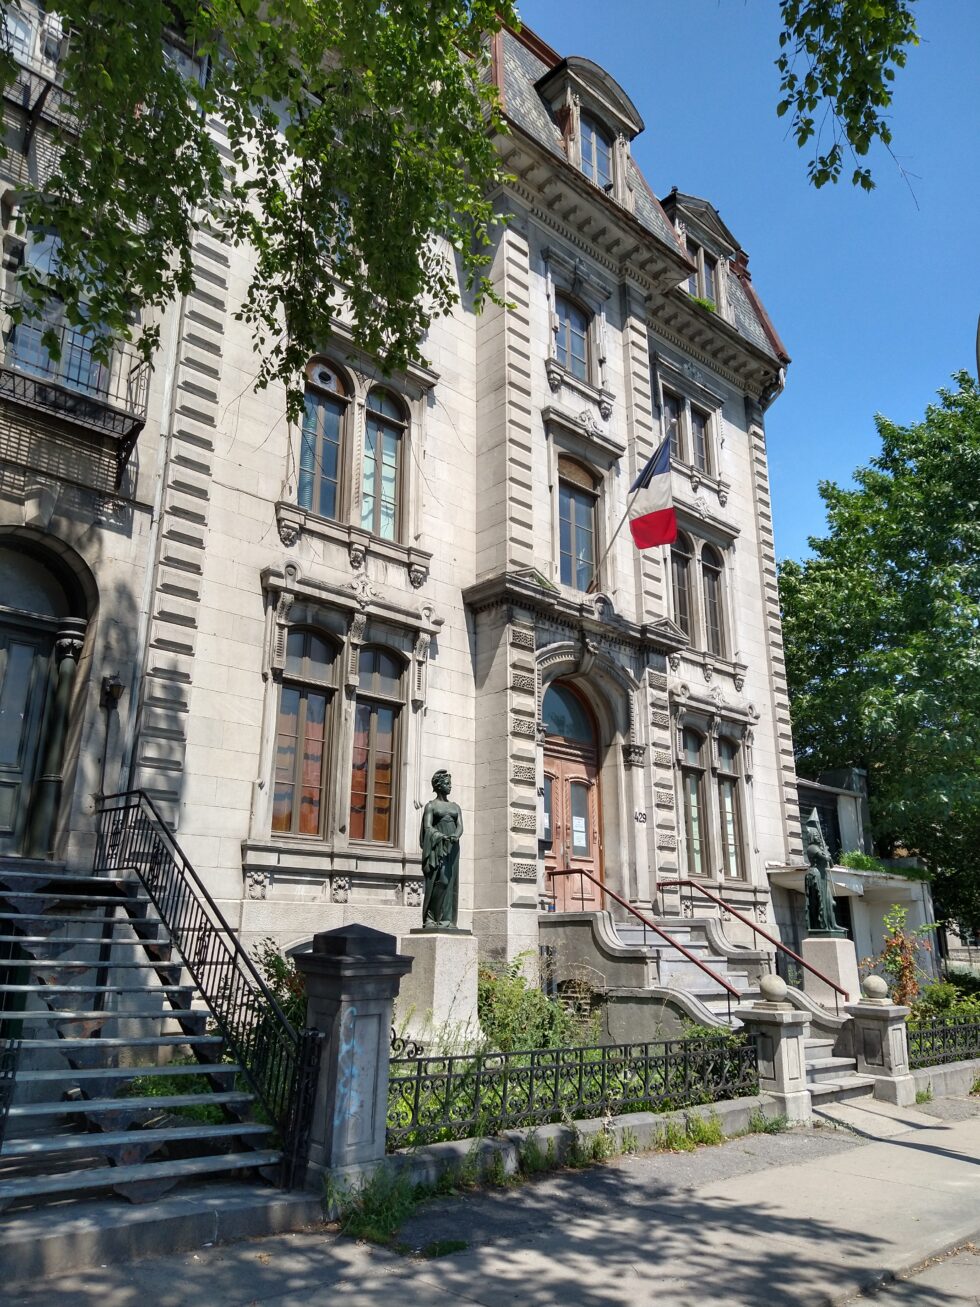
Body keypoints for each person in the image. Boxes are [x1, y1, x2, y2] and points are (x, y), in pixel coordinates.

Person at [419, 769, 463, 928]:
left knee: (450, 883)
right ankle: (431, 917)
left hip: (452, 848)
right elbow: (427, 827)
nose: (450, 786)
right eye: (446, 783)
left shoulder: (455, 807)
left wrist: (456, 836)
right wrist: (440, 836)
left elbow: (460, 826)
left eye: (450, 783)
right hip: (437, 848)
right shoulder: (431, 806)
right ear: (438, 785)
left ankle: (447, 920)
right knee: (441, 881)